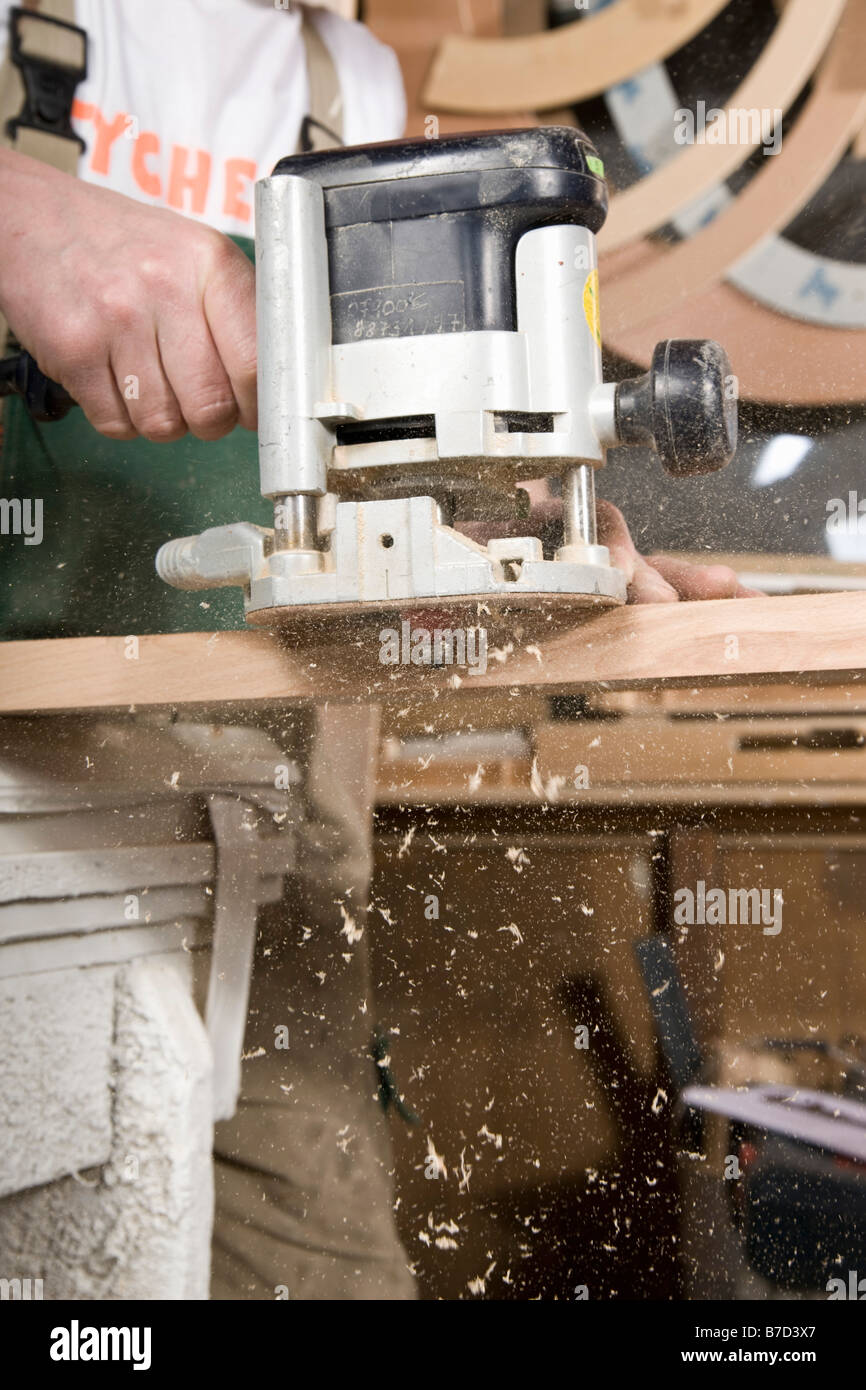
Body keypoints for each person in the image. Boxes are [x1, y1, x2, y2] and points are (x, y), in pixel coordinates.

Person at [0, 0, 757, 1302]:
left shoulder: (348, 83)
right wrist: (22, 215)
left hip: (274, 840)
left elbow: (376, 463)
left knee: (319, 1269)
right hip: (28, 812)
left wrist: (525, 540)